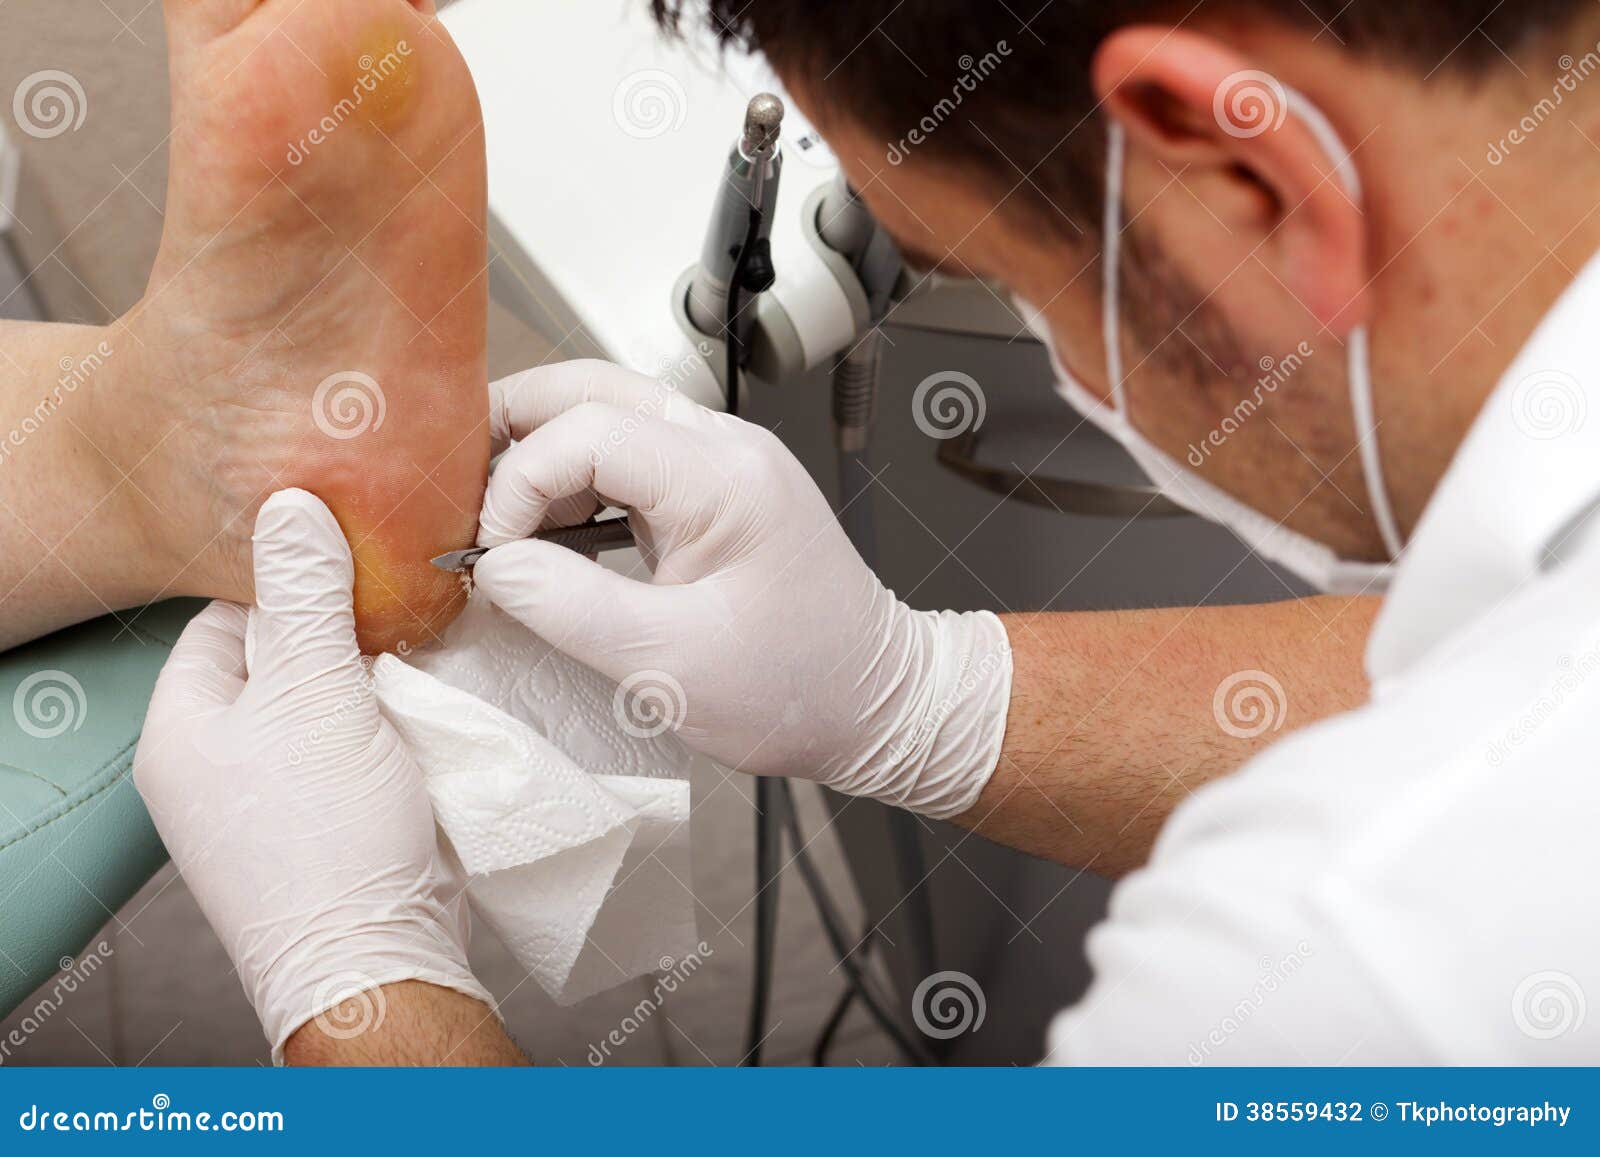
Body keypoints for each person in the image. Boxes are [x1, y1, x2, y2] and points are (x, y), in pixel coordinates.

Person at [109, 0, 1600, 1061]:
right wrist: (916, 694)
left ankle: (128, 442)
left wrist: (354, 983)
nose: (1061, 360)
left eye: (988, 269)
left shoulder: (1348, 971)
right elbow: (1515, 697)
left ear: (1248, 180)